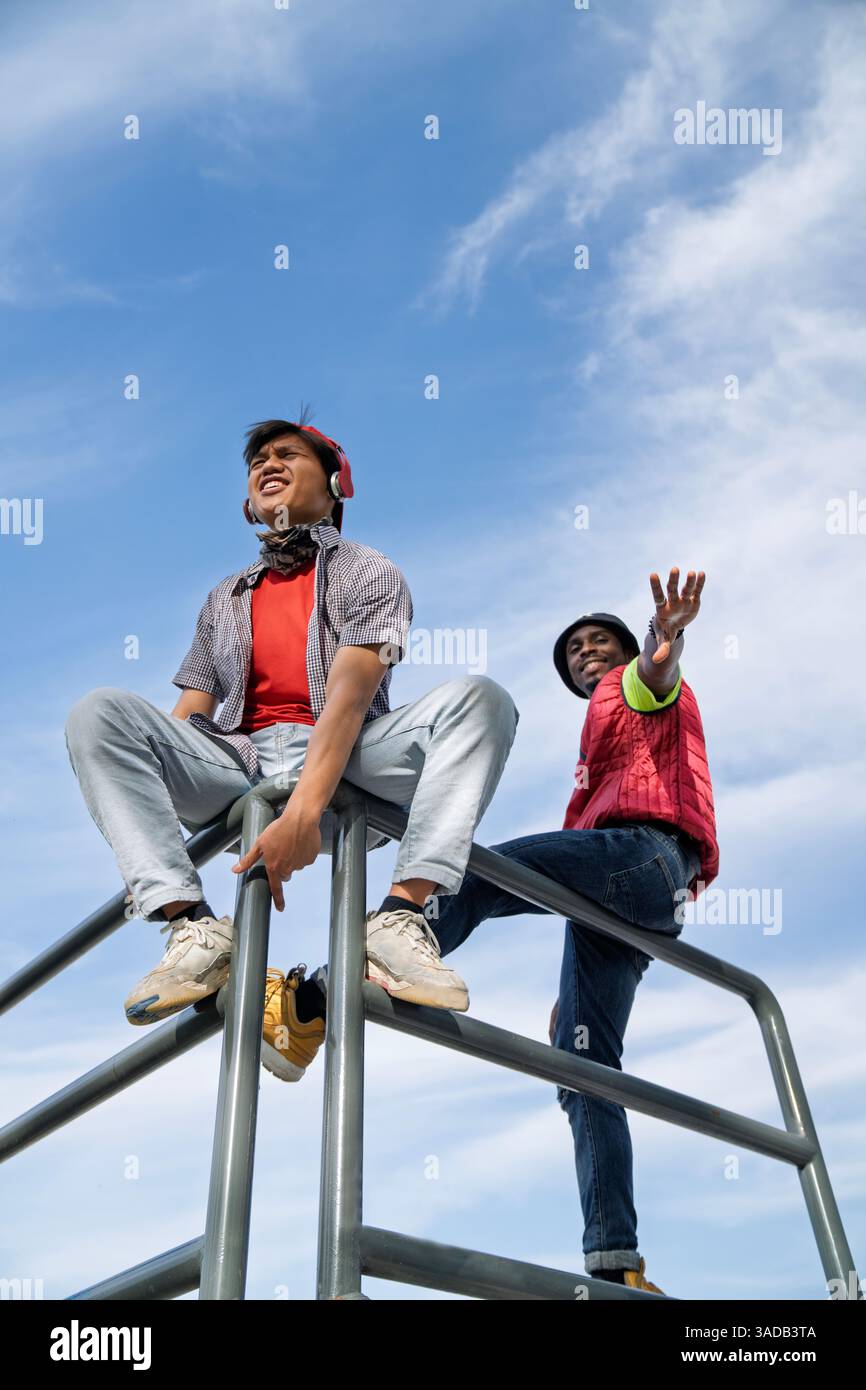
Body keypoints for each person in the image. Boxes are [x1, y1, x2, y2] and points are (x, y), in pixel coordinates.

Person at [284, 568, 718, 1294]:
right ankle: (619, 1265)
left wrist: (663, 637)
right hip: (633, 903)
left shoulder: (630, 690)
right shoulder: (603, 737)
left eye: (598, 641)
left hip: (646, 857)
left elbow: (656, 673)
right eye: (577, 647)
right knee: (584, 1070)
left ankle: (338, 981)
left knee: (476, 869)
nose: (588, 652)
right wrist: (577, 989)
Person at [64, 409, 519, 1082]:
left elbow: (353, 692)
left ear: (336, 485)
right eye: (257, 463)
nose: (267, 465)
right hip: (242, 763)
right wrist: (157, 801)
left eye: (287, 455)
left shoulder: (368, 569)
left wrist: (304, 811)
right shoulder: (225, 598)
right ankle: (192, 927)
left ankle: (398, 919)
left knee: (484, 701)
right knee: (98, 714)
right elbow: (189, 712)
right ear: (248, 498)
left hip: (350, 757)